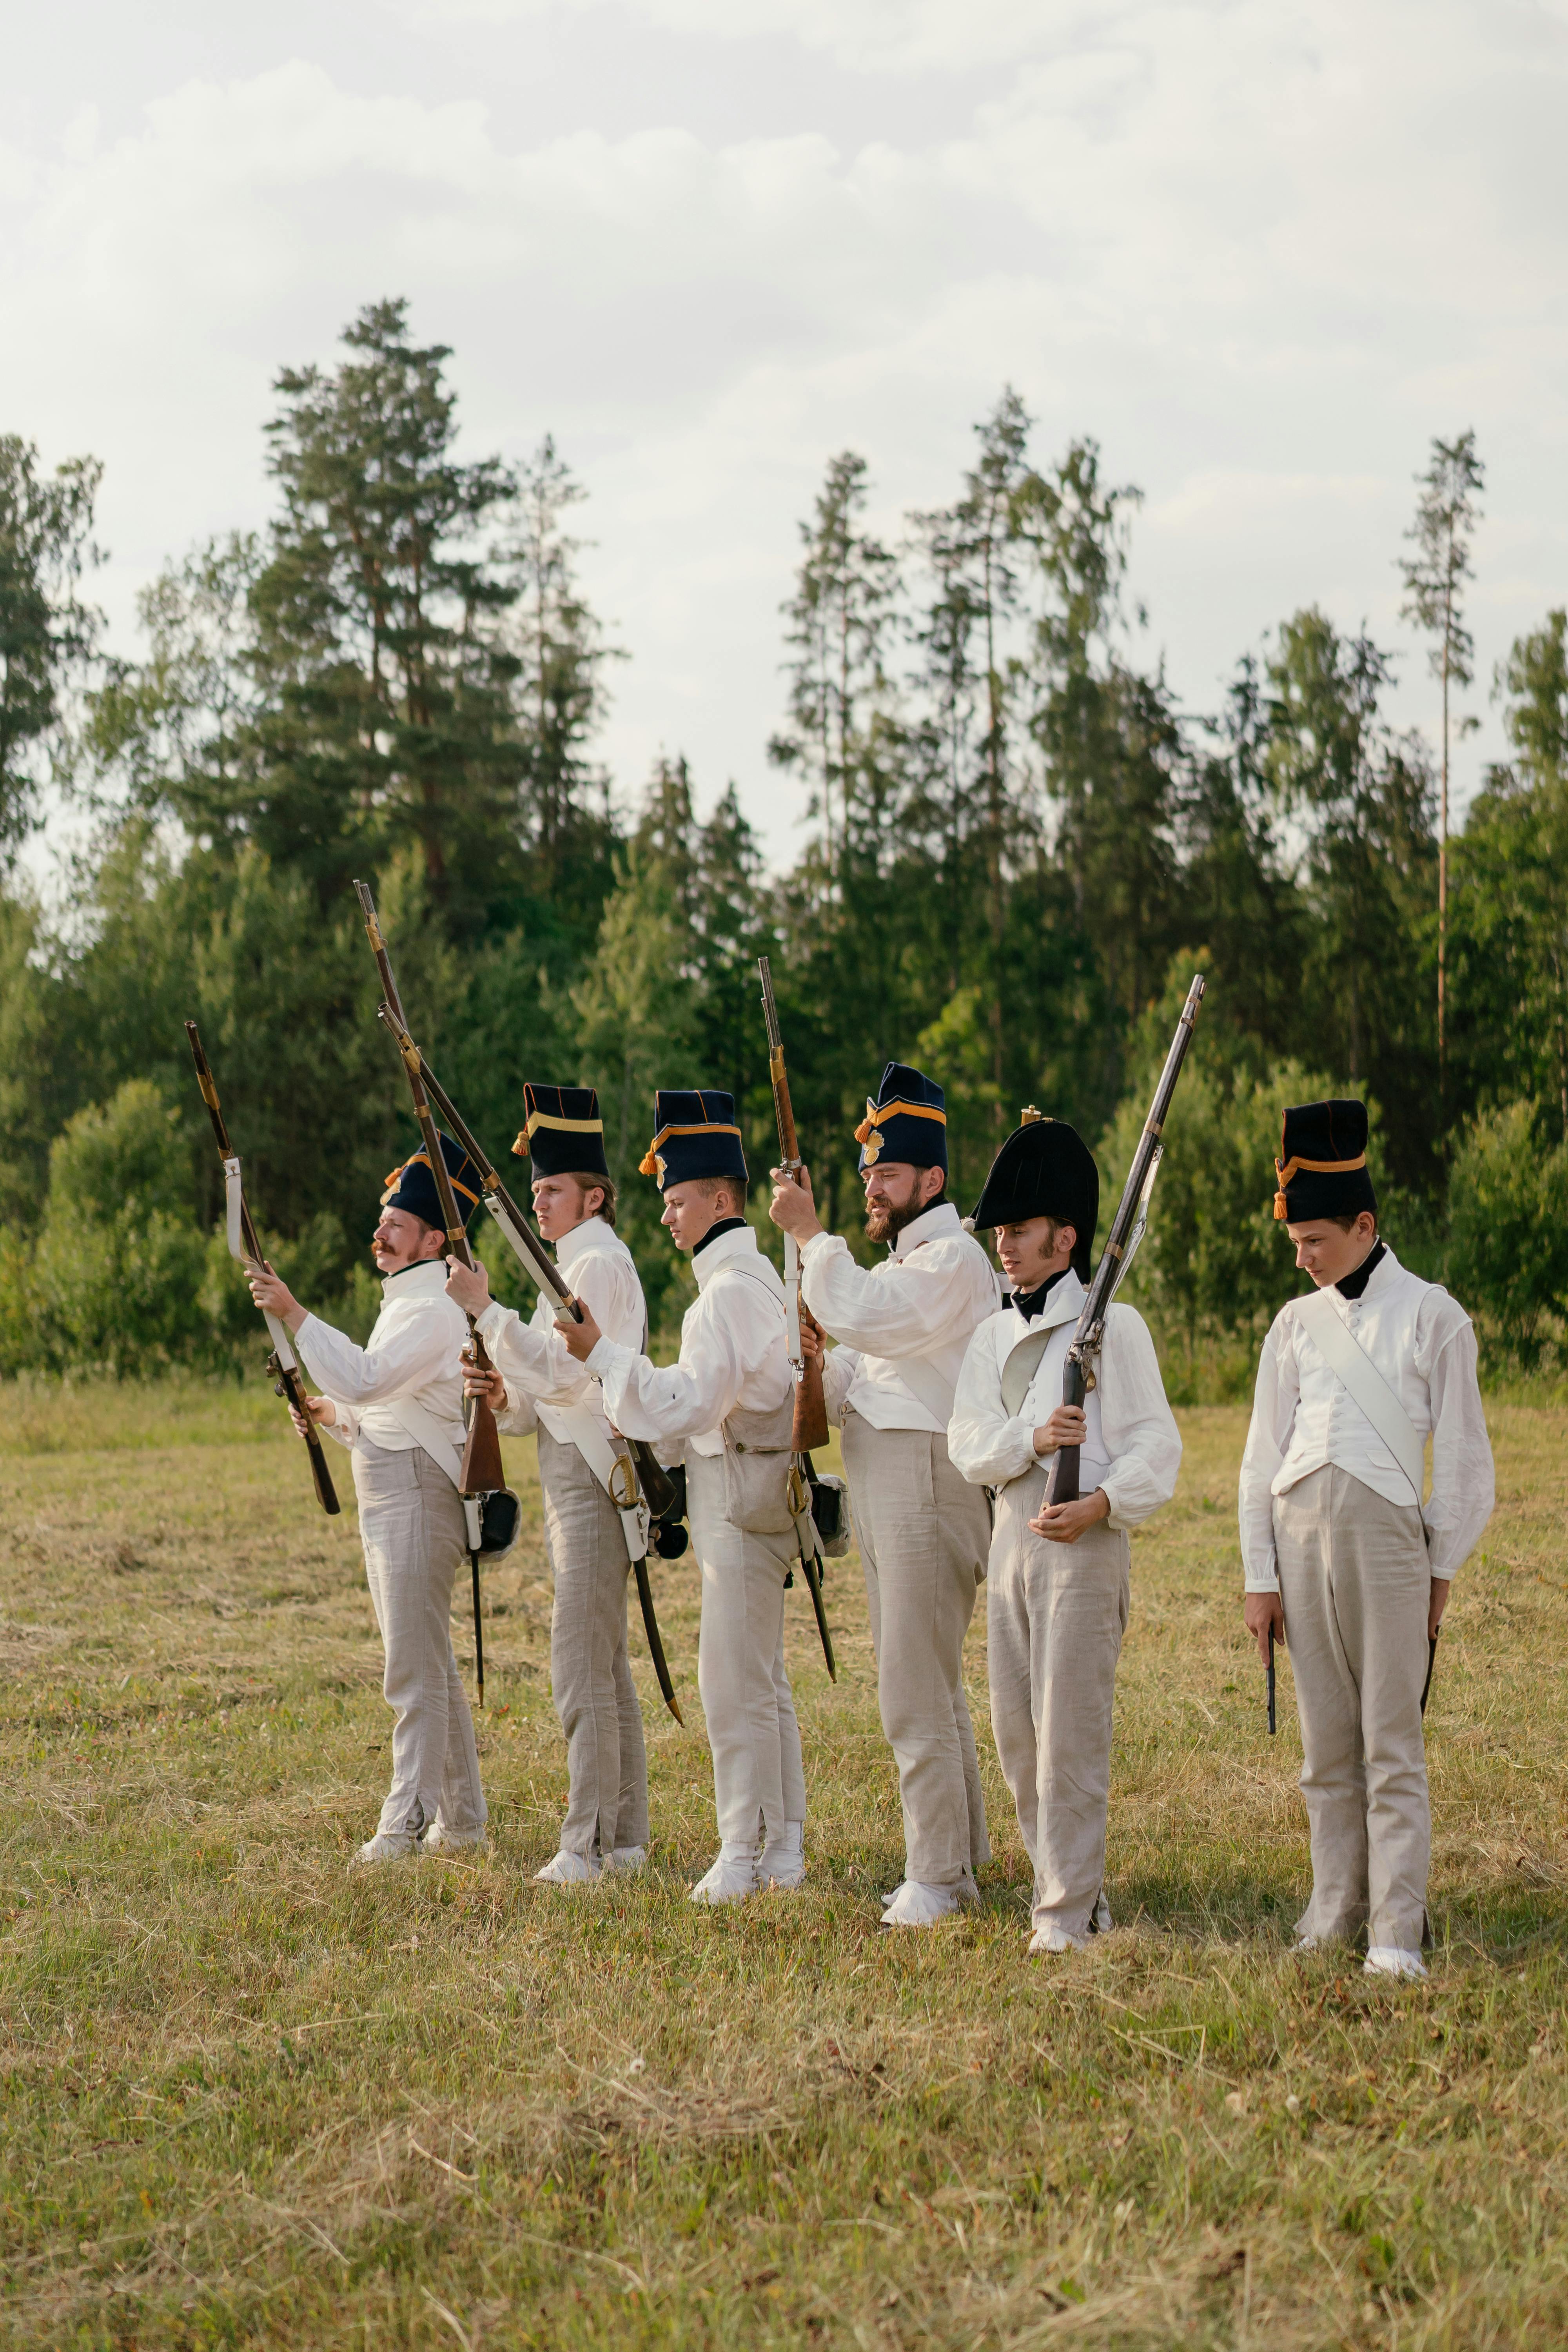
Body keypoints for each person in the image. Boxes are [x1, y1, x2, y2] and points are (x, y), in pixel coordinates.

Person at [1238, 1099, 1494, 1980]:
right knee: (1324, 1749)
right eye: (1294, 1242)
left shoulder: (1433, 1315)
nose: (1302, 1259)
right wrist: (1259, 1575)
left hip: (1386, 1544)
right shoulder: (1292, 1324)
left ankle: (1394, 1930)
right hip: (1297, 1535)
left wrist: (1440, 1565)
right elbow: (1260, 1457)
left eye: (1314, 1241)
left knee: (1390, 1742)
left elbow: (1463, 1461)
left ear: (1364, 1226)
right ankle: (1333, 1911)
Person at [558, 1089, 807, 1905]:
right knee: (762, 1683)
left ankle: (743, 1852)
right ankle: (781, 1851)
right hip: (750, 1488)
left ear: (721, 1201)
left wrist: (604, 1358)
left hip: (736, 1494)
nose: (665, 1216)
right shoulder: (755, 1278)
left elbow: (693, 1403)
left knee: (732, 1686)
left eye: (676, 1201)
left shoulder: (726, 1293)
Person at [769, 1061, 998, 1928]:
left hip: (926, 1481)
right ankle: (960, 1861)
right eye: (868, 1174)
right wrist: (813, 1361)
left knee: (911, 1686)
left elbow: (868, 1314)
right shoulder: (904, 1266)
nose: (872, 1188)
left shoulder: (951, 1259)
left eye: (888, 1174)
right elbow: (855, 1377)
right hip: (892, 1480)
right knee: (929, 1679)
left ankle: (935, 1876)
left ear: (931, 1181)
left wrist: (810, 1235)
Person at [947, 1111, 1182, 1954]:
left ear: (1066, 1237)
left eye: (1020, 1230)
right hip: (1011, 1532)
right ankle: (1070, 1888)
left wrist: (1102, 1504)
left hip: (1084, 1540)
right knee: (1017, 1737)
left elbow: (1158, 1445)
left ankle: (1064, 1913)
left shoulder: (1117, 1326)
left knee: (1069, 1739)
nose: (1003, 1245)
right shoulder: (991, 1335)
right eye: (1000, 1231)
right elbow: (966, 1444)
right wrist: (1034, 1437)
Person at [248, 1134, 488, 1864]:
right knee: (430, 1665)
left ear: (434, 1239)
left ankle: (405, 1822)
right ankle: (463, 1822)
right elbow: (382, 1405)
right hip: (394, 1488)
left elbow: (367, 1378)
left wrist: (296, 1314)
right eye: (383, 1221)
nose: (380, 1232)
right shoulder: (408, 1301)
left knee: (412, 1672)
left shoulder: (432, 1309)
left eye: (396, 1224)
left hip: (417, 1494)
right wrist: (334, 1415)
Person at [446, 1084, 651, 1887]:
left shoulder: (593, 1261)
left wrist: (488, 1310)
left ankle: (587, 1845)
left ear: (593, 1196)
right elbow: (545, 1392)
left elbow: (566, 1372)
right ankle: (624, 1839)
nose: (538, 1199)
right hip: (577, 1468)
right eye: (535, 1189)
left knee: (579, 1667)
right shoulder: (569, 1263)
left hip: (592, 1475)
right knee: (605, 1667)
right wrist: (505, 1397)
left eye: (553, 1188)